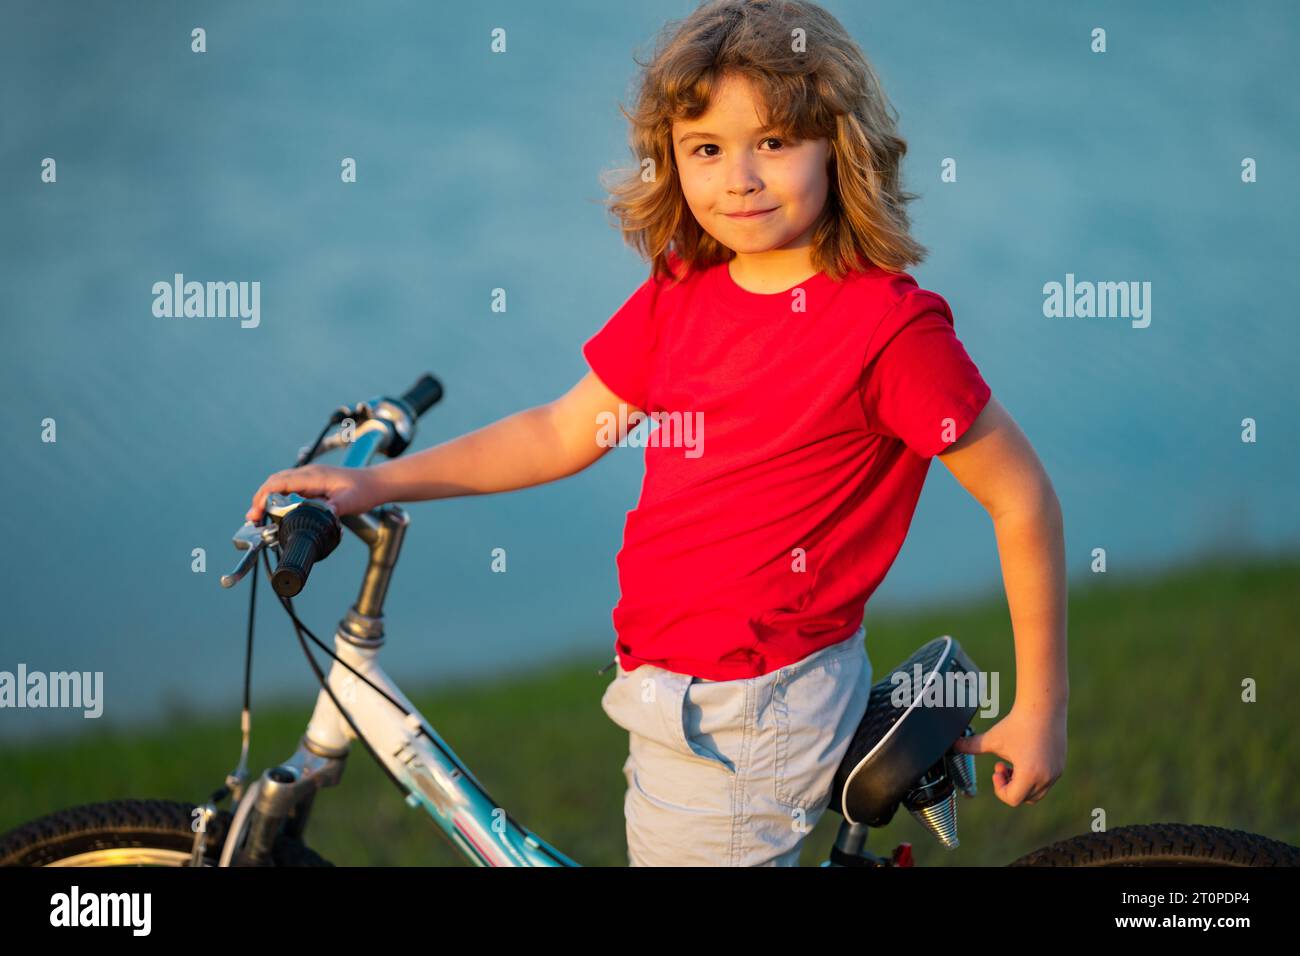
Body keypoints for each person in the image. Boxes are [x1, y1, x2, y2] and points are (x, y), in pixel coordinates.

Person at [245, 0, 1068, 867]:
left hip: (748, 712)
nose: (739, 178)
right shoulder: (684, 291)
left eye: (775, 143)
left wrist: (1039, 705)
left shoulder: (885, 332)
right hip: (679, 691)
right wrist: (371, 483)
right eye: (706, 149)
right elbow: (562, 431)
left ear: (841, 143)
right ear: (672, 160)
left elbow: (1021, 499)